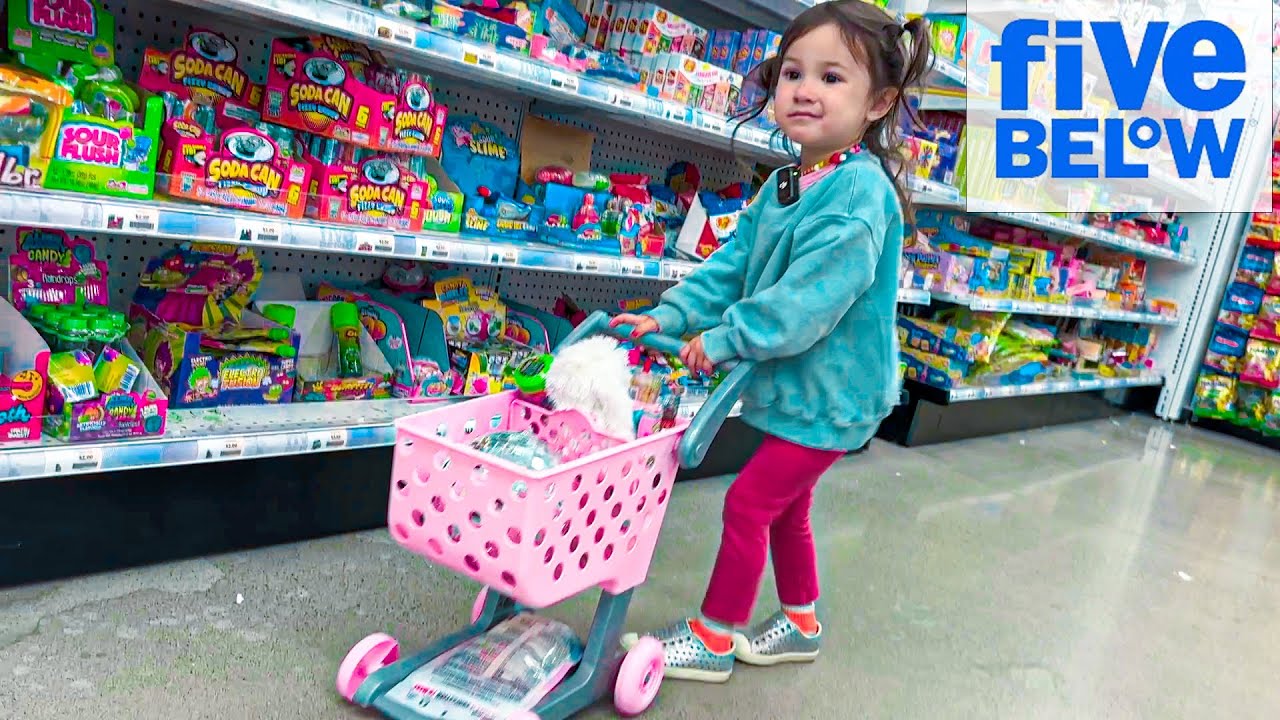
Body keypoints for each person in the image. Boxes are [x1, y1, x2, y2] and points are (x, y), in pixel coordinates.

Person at [611, 0, 932, 682]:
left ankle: (714, 635)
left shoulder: (857, 195)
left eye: (832, 78)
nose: (805, 90)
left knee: (749, 503)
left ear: (879, 103)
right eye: (792, 72)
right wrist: (669, 317)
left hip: (835, 393)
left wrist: (728, 338)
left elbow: (807, 301)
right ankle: (801, 624)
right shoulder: (790, 181)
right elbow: (732, 265)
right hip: (803, 386)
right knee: (788, 509)